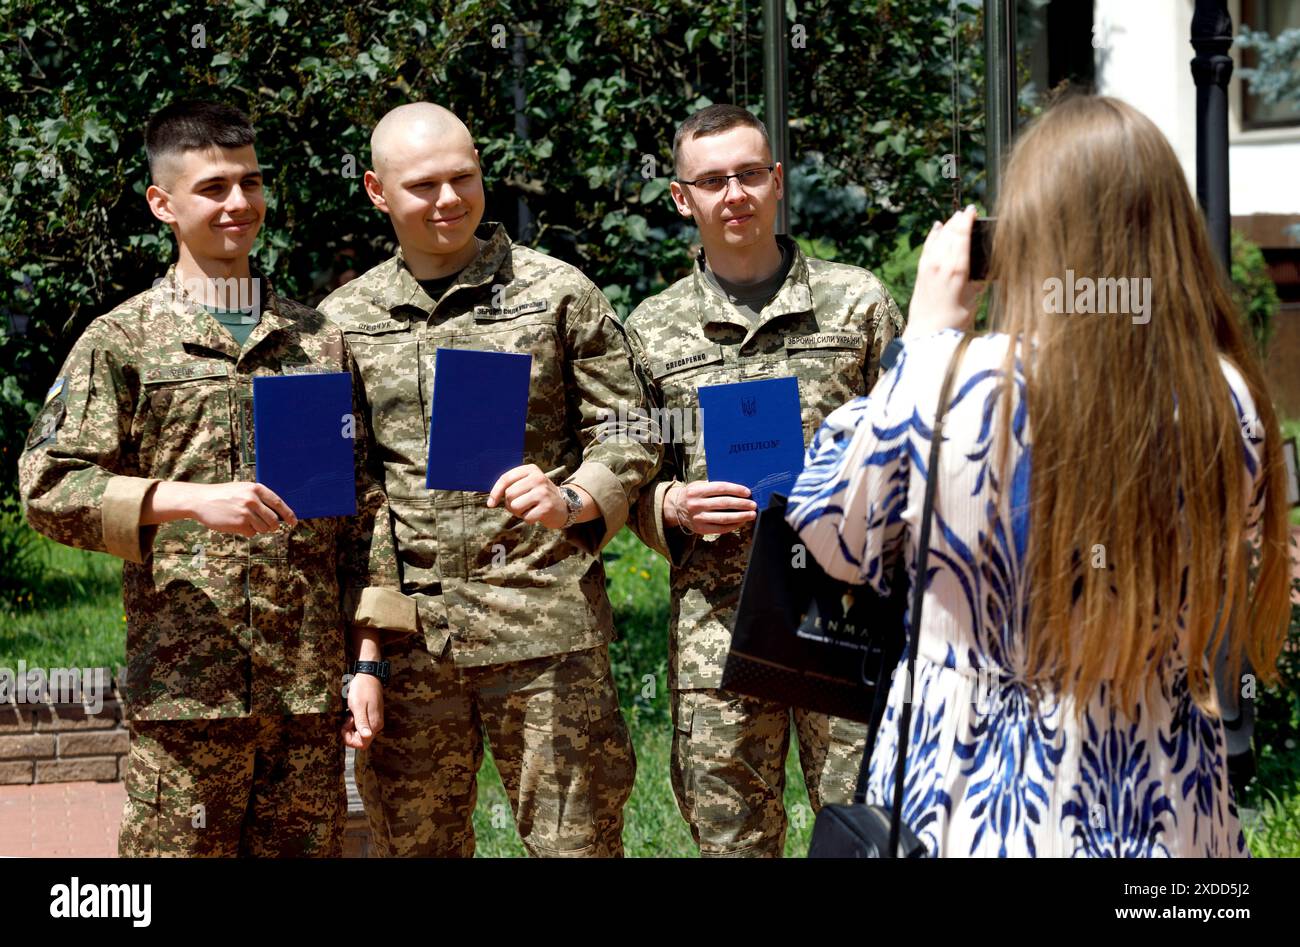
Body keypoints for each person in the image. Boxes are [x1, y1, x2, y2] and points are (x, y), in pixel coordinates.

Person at [786, 94, 1292, 857]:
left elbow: (835, 534)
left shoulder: (952, 381)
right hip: (1170, 808)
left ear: (1028, 238)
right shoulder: (1229, 399)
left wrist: (921, 340)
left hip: (978, 803)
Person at [18, 100, 414, 857]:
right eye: (213, 188)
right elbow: (46, 487)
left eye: (251, 182)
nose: (239, 203)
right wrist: (188, 501)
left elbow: (364, 516)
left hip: (304, 699)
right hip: (187, 695)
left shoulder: (314, 339)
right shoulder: (121, 342)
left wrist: (367, 661)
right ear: (162, 204)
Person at [318, 103, 661, 858]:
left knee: (578, 848)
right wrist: (366, 655)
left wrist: (573, 496)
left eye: (463, 178)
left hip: (545, 636)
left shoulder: (557, 294)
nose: (449, 200)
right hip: (415, 651)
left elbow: (633, 429)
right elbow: (354, 498)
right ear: (377, 192)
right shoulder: (340, 322)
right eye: (423, 186)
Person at [623, 104, 904, 856]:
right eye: (712, 180)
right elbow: (626, 475)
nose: (734, 194)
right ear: (683, 198)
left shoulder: (859, 303)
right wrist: (670, 505)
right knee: (732, 840)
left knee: (869, 831)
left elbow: (916, 442)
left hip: (844, 615)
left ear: (777, 181)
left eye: (750, 173)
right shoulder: (649, 330)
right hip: (721, 629)